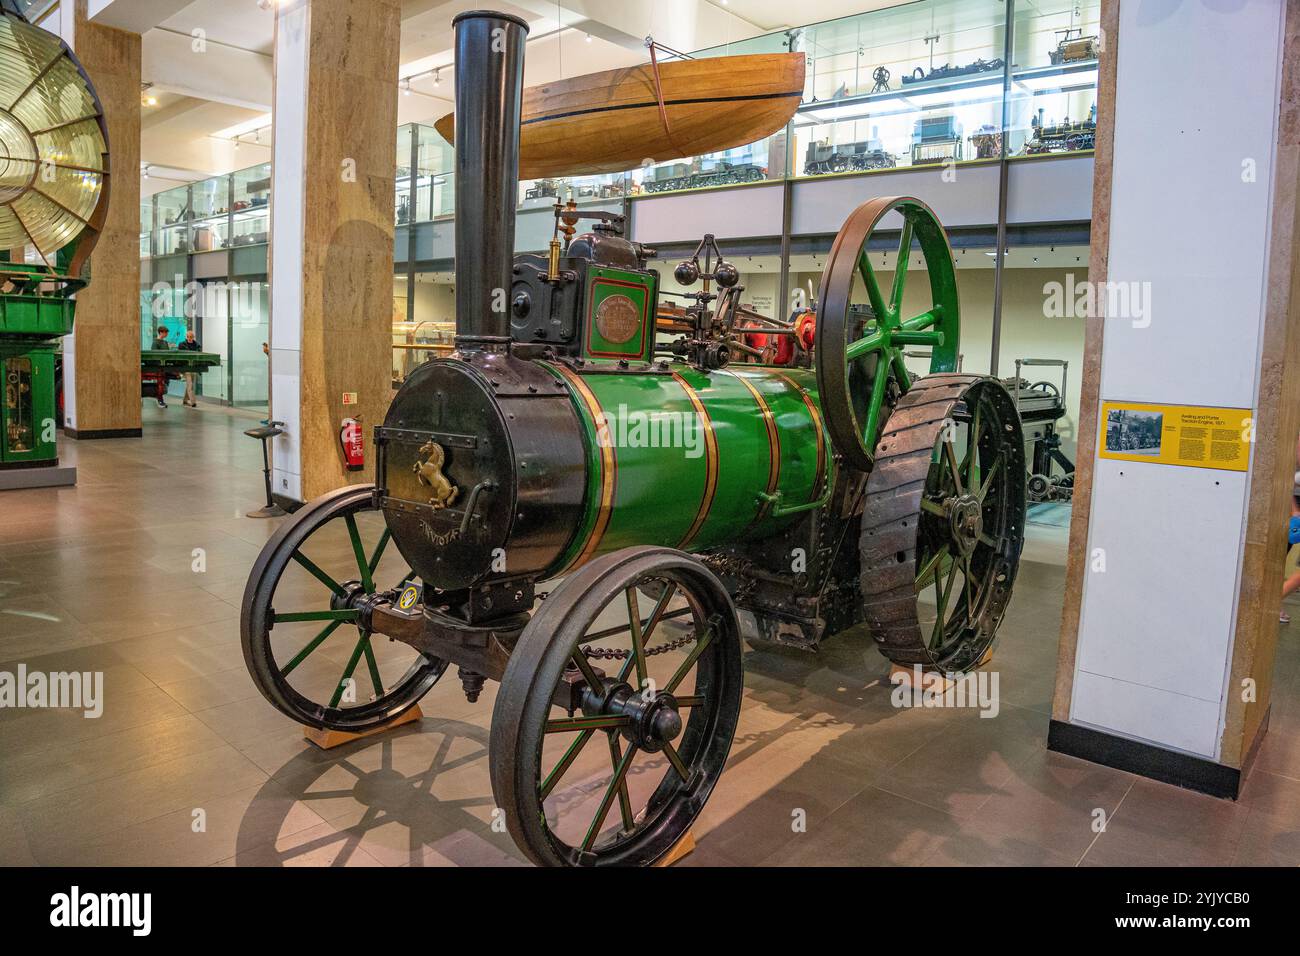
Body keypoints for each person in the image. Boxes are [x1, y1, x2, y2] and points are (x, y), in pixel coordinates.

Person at [177, 328, 201, 408]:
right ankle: (193, 402)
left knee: (190, 385)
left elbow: (199, 355)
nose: (190, 338)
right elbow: (180, 356)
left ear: (193, 337)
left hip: (193, 367)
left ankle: (185, 400)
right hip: (185, 367)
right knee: (190, 384)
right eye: (188, 336)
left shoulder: (197, 345)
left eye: (191, 336)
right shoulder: (181, 344)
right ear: (186, 337)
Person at [152, 327, 171, 407]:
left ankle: (160, 398)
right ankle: (160, 400)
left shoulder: (165, 342)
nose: (166, 334)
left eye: (167, 332)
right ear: (160, 332)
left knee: (165, 382)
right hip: (159, 366)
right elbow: (154, 355)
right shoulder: (155, 342)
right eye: (165, 332)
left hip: (165, 365)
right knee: (160, 383)